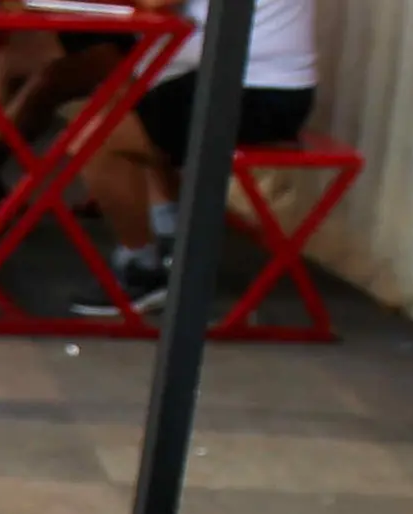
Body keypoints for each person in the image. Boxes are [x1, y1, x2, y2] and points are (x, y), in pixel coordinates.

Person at [71, 0, 317, 315]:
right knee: (126, 106)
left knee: (97, 142)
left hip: (255, 89)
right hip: (251, 80)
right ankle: (174, 238)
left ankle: (143, 271)